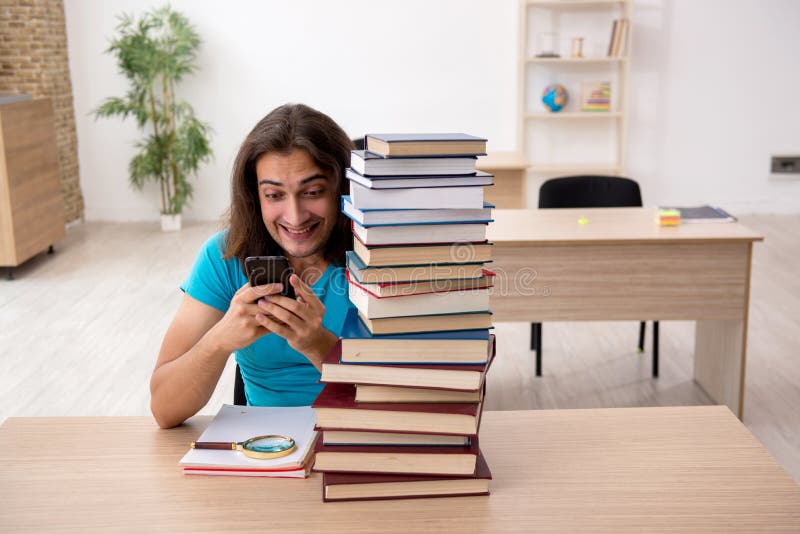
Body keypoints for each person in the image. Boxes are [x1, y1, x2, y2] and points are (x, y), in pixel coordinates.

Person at [150, 103, 354, 429]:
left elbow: (414, 403)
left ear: (341, 188)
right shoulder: (224, 256)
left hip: (363, 442)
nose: (295, 216)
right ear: (254, 197)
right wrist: (219, 340)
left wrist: (318, 345)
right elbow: (164, 409)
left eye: (313, 192)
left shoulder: (381, 258)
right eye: (274, 195)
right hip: (267, 452)